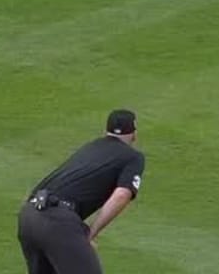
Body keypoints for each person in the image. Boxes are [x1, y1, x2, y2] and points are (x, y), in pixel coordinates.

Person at [19, 110, 144, 274]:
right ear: (134, 134)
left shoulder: (91, 147)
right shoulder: (132, 157)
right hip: (58, 221)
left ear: (105, 131)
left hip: (30, 215)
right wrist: (91, 233)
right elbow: (122, 195)